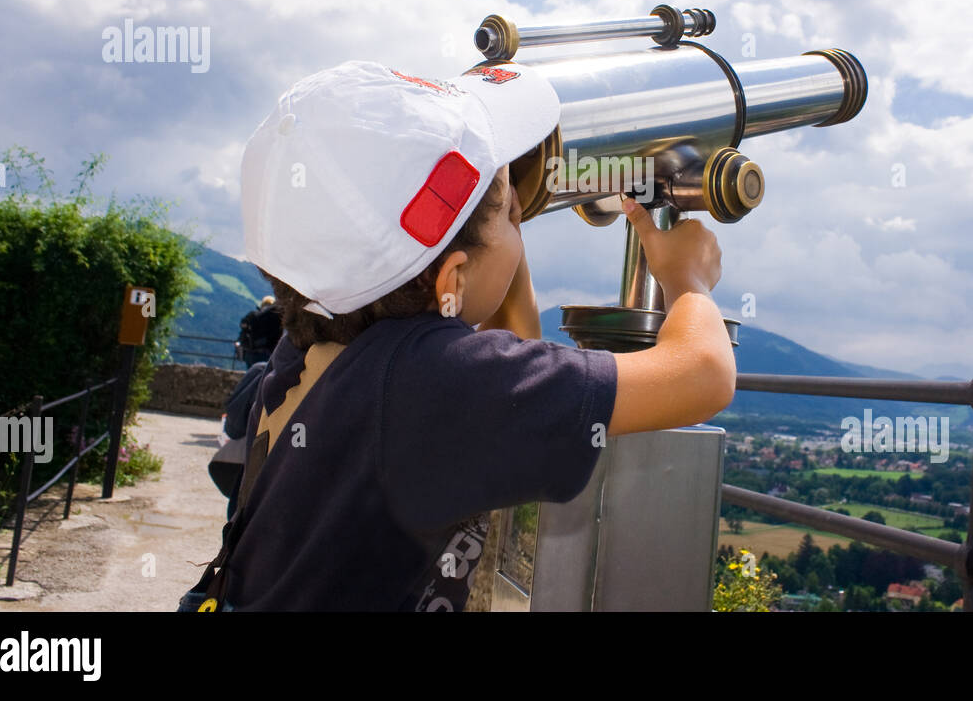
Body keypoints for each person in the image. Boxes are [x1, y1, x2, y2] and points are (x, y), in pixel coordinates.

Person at [188, 59, 734, 611]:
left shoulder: (314, 338)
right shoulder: (431, 382)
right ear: (452, 278)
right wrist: (687, 276)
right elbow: (703, 376)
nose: (519, 228)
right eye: (514, 217)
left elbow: (515, 350)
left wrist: (493, 228)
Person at [237, 296, 281, 368]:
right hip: (266, 353)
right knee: (263, 376)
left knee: (252, 374)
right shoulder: (274, 317)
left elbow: (243, 325)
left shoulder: (253, 315)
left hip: (250, 352)